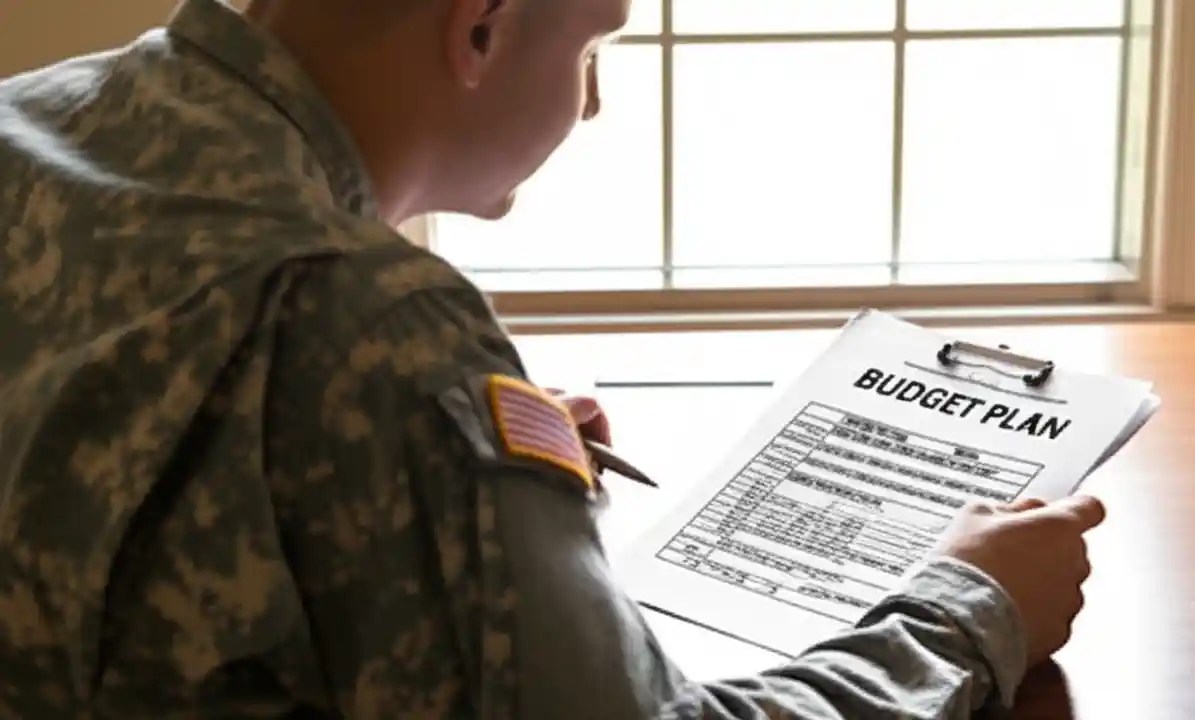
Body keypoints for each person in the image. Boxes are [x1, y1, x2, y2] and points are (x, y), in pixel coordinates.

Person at [0, 0, 1106, 717]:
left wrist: (447, 474)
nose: (589, 98)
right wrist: (972, 606)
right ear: (478, 29)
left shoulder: (25, 126)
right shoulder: (362, 318)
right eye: (590, 44)